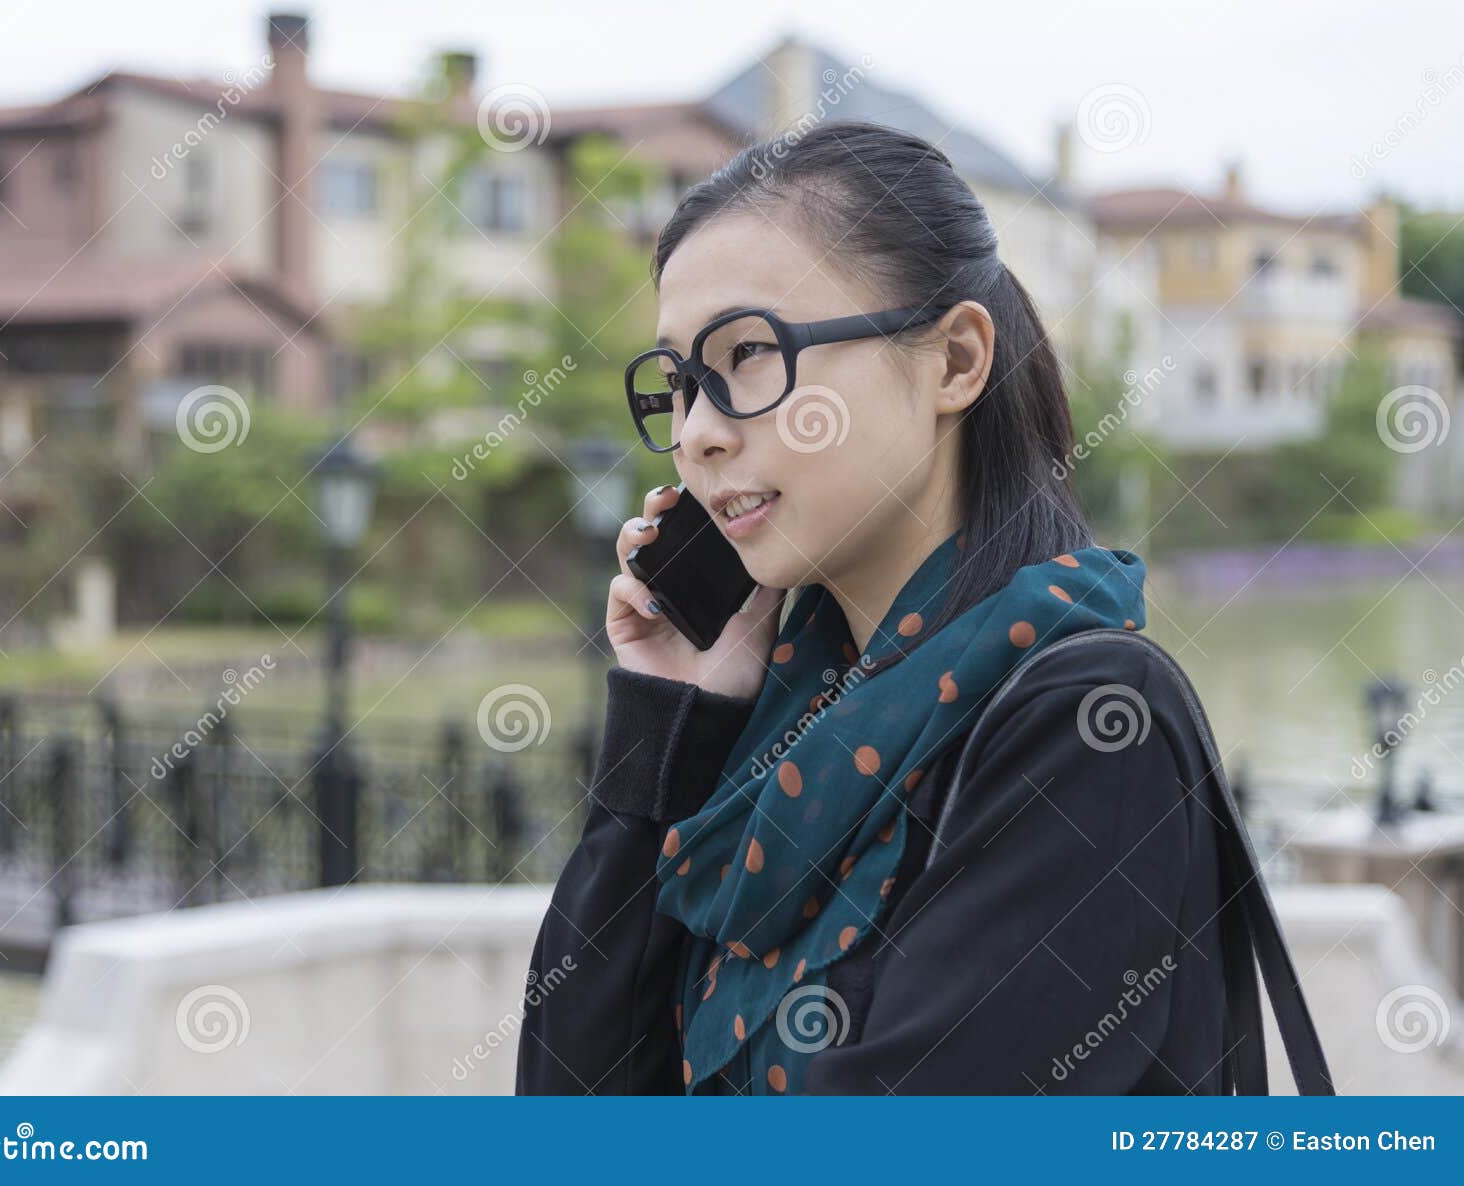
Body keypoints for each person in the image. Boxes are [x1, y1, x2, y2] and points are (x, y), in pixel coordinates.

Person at [516, 119, 1232, 1095]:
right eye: (681, 381)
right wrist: (671, 723)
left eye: (748, 354)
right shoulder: (775, 727)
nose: (696, 434)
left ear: (952, 363)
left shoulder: (1085, 728)